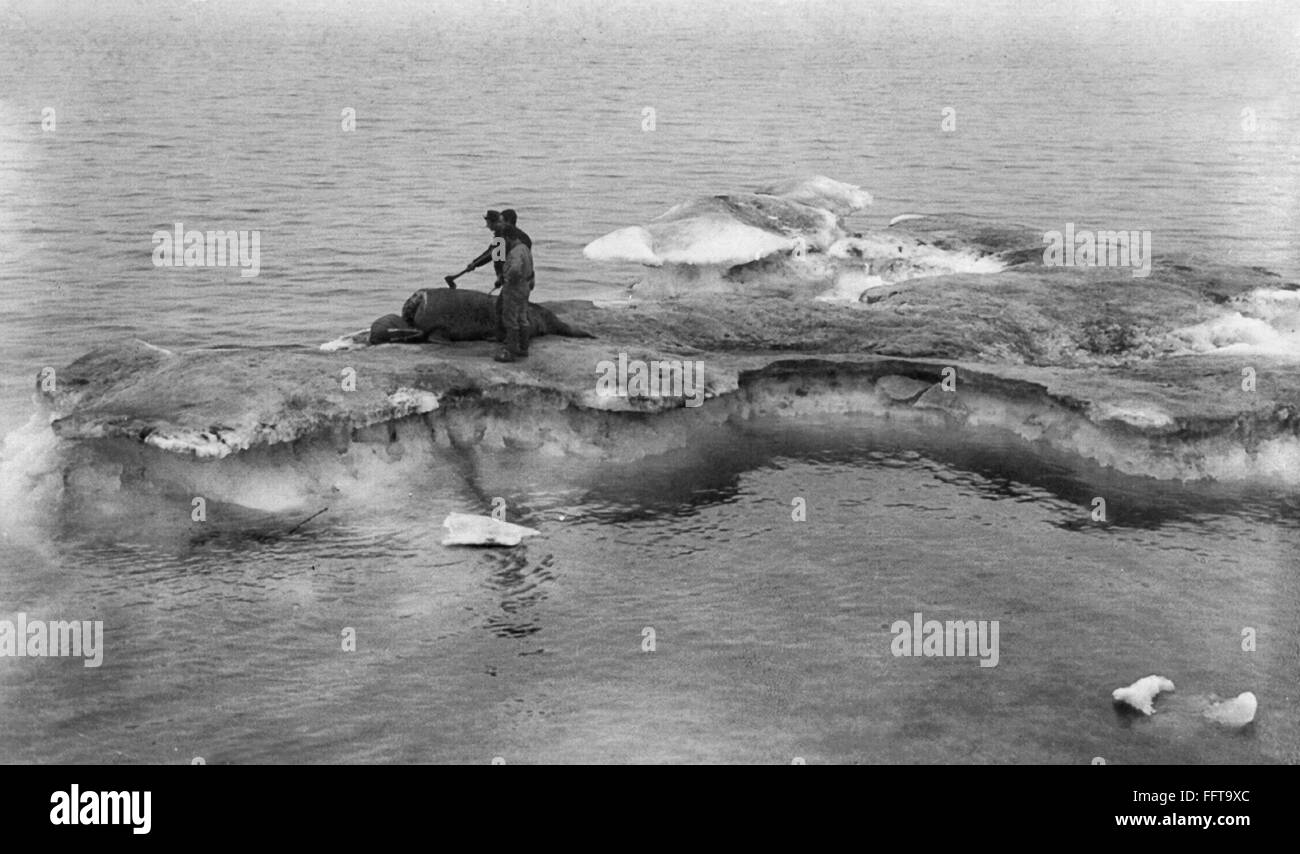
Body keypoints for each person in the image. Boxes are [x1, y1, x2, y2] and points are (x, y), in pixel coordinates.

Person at [494, 225, 534, 362]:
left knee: (510, 319)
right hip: (525, 287)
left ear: (507, 238)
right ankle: (523, 348)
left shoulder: (515, 252)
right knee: (523, 317)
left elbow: (516, 269)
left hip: (514, 288)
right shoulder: (525, 248)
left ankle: (510, 352)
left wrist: (507, 278)